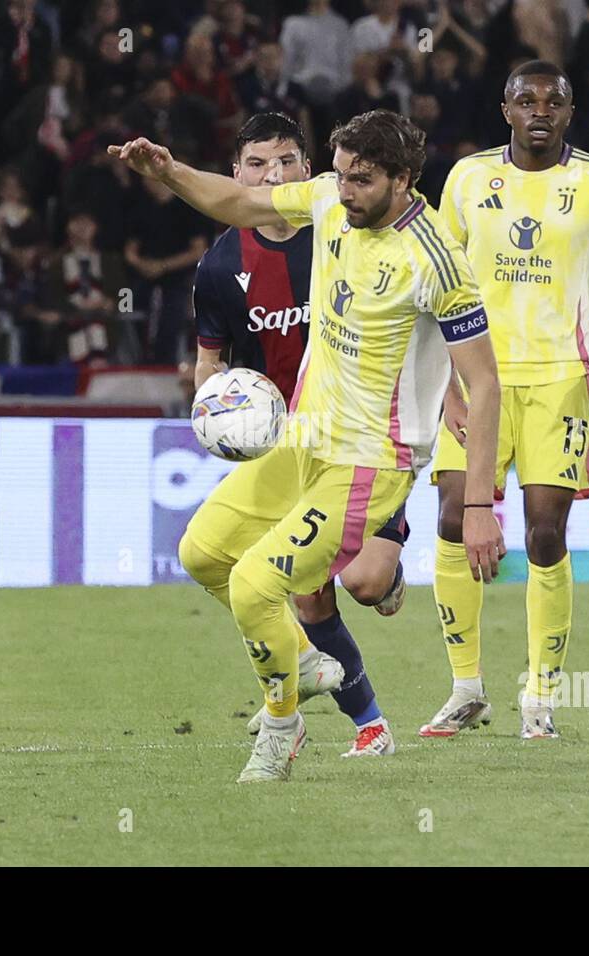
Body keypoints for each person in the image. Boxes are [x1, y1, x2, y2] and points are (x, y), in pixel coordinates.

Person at [110, 109, 504, 782]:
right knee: (202, 553)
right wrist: (170, 171)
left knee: (255, 584)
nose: (344, 190)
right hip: (304, 439)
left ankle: (283, 721)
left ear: (404, 179)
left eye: (364, 180)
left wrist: (477, 505)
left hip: (368, 463)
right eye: (342, 173)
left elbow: (484, 383)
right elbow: (237, 199)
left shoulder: (436, 260)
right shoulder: (327, 197)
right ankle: (307, 662)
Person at [429, 61, 589, 739]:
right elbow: (434, 282)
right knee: (448, 520)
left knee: (544, 535)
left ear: (570, 110)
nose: (539, 111)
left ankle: (541, 699)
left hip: (562, 380)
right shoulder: (467, 179)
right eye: (526, 100)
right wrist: (442, 385)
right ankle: (466, 687)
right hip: (477, 377)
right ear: (505, 110)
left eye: (553, 101)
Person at [192, 112, 408, 758]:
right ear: (237, 175)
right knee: (299, 596)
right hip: (287, 450)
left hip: (364, 443)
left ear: (308, 169)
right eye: (257, 165)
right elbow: (211, 361)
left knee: (365, 584)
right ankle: (368, 724)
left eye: (286, 161)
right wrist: (217, 413)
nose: (273, 175)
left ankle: (294, 692)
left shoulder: (342, 229)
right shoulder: (218, 266)